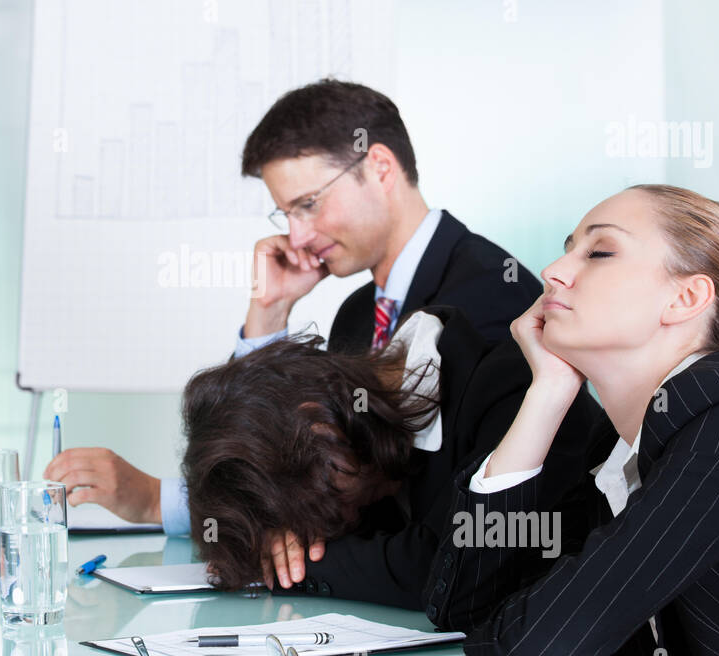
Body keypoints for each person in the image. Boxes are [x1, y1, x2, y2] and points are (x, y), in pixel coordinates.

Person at [46, 79, 542, 578]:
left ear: (380, 168)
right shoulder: (357, 312)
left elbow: (453, 541)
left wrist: (291, 561)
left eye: (308, 204)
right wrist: (271, 310)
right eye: (286, 213)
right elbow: (291, 468)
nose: (297, 235)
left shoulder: (490, 300)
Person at [423, 184, 719, 656]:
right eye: (567, 248)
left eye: (599, 251)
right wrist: (547, 395)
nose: (554, 272)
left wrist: (524, 624)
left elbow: (540, 647)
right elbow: (465, 614)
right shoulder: (616, 447)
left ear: (685, 298)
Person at [180, 304, 600, 607]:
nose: (338, 524)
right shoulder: (361, 448)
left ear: (320, 430)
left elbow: (450, 566)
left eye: (322, 511)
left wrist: (297, 570)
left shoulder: (512, 385)